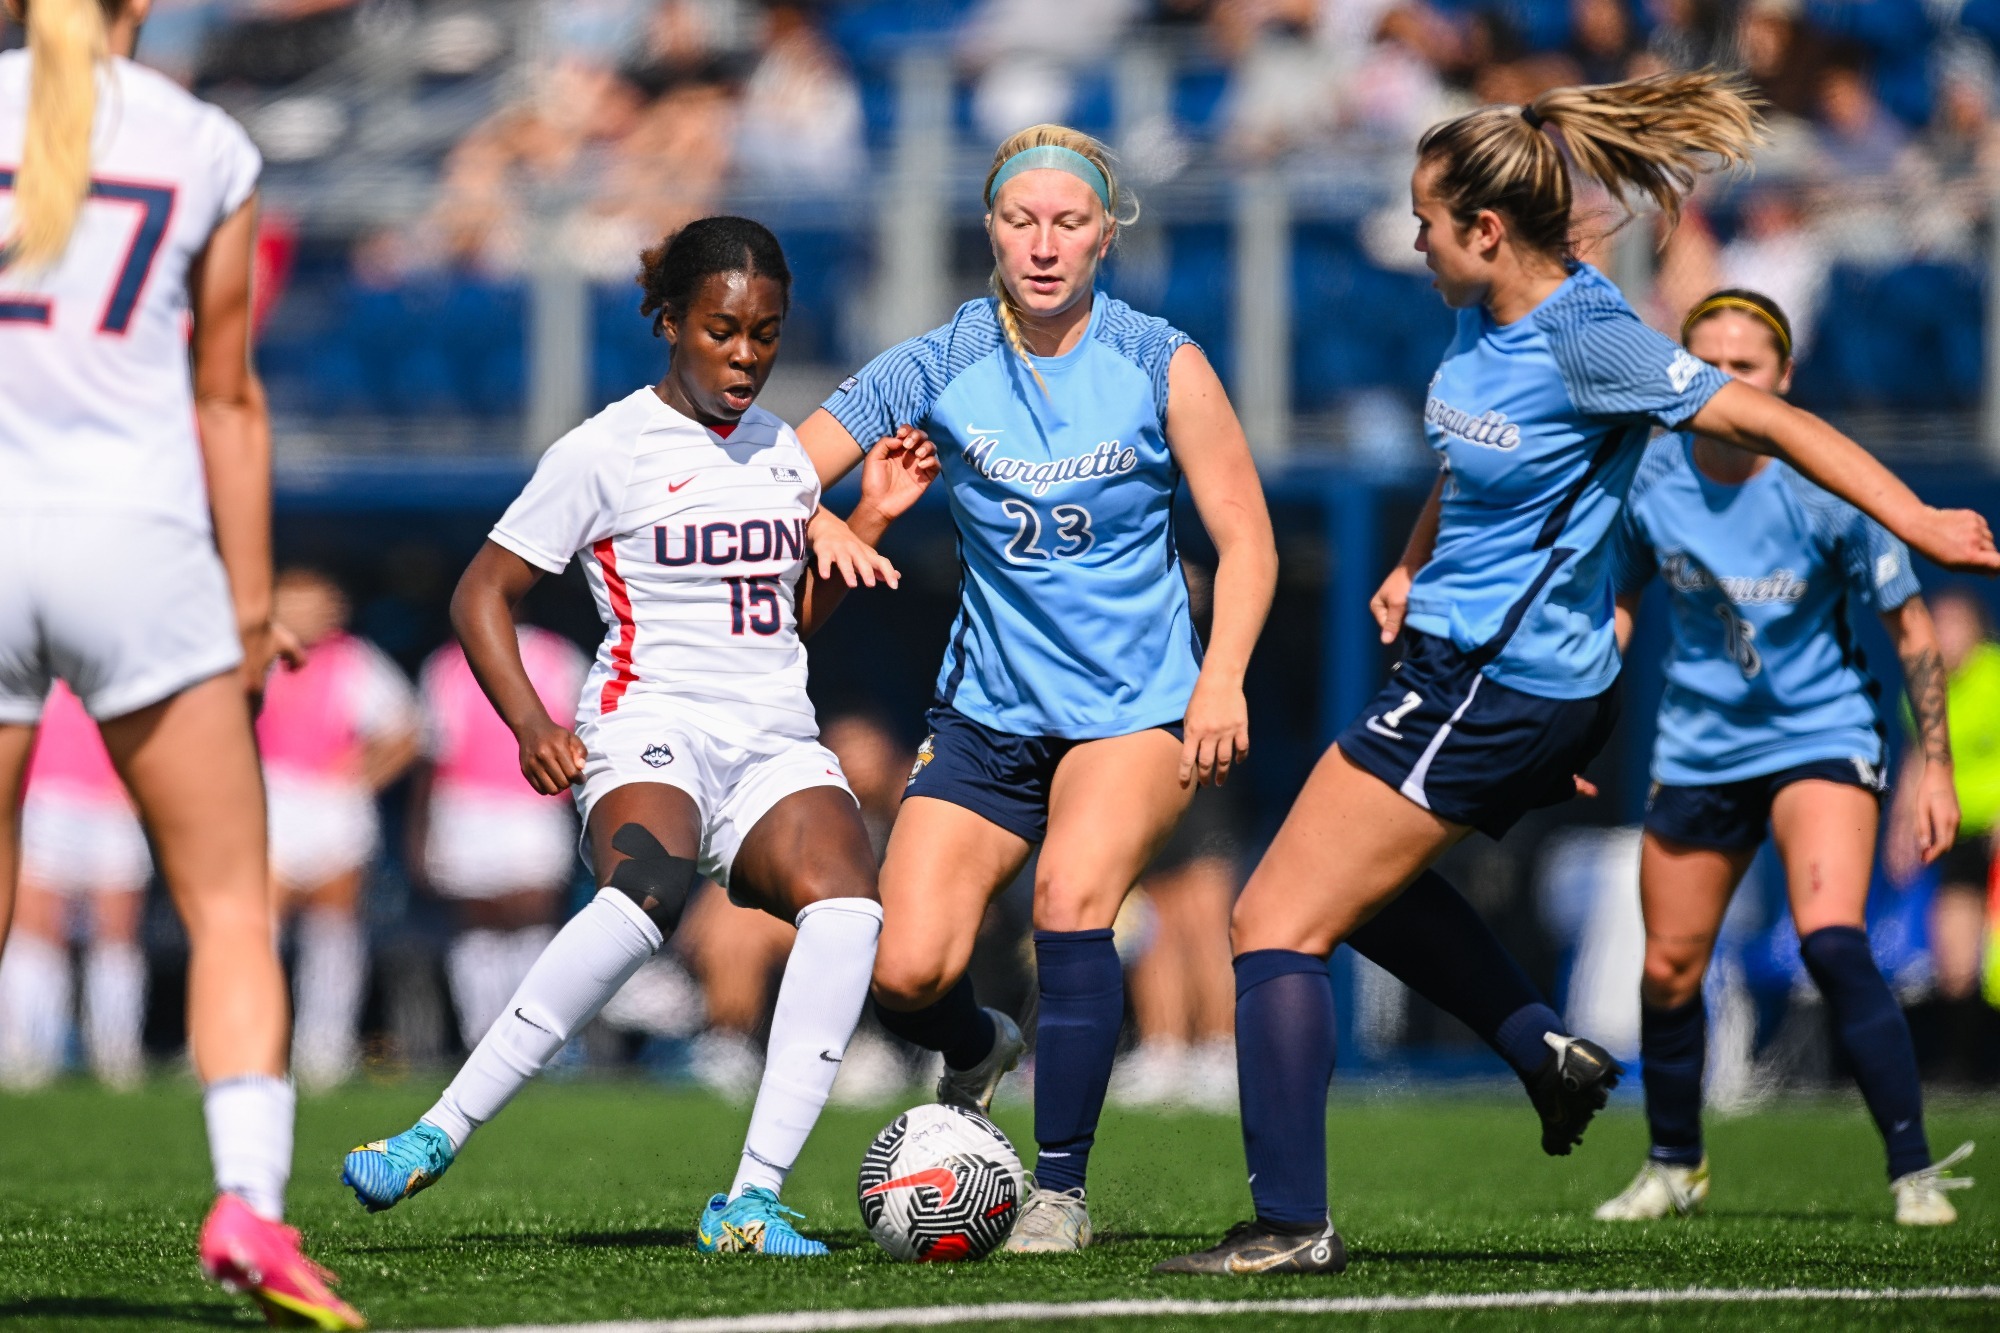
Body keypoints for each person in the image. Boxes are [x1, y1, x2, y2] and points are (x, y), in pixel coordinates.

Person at [1163, 69, 1999, 1277]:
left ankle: (1291, 1222)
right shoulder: (1479, 315)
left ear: (1486, 231)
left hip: (1503, 684)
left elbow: (1765, 424)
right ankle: (1540, 1049)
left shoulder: (1587, 337)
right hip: (1471, 666)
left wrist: (1916, 515)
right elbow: (1468, 464)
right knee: (1355, 886)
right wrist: (1409, 563)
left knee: (1269, 920)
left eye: (1426, 218)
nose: (1411, 237)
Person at [339, 216, 931, 1256]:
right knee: (646, 889)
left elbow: (784, 619)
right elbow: (485, 590)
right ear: (669, 323)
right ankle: (435, 1131)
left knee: (847, 905)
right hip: (646, 720)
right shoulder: (604, 449)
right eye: (722, 330)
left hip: (772, 736)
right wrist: (527, 720)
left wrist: (869, 522)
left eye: (766, 333)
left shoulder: (785, 456)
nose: (745, 354)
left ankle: (748, 1203)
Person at [794, 123, 1279, 1252]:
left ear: (1106, 234)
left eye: (1068, 222)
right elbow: (783, 465)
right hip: (984, 716)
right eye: (1021, 220)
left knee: (1070, 904)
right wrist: (834, 513)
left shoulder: (1164, 360)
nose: (1044, 243)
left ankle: (1055, 1189)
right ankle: (975, 1048)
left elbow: (1246, 541)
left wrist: (1220, 681)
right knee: (907, 966)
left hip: (1135, 710)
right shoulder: (940, 358)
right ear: (990, 231)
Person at [0, 0, 360, 1324]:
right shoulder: (203, 141)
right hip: (139, 543)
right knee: (224, 905)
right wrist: (254, 602)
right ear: (138, 6)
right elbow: (225, 394)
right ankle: (250, 1207)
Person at [1595, 288, 1975, 1227]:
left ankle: (1914, 1169)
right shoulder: (1649, 478)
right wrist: (1574, 729)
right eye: (1707, 366)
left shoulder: (1825, 481)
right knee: (1670, 968)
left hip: (1821, 736)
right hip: (1698, 744)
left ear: (1784, 378)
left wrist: (1935, 764)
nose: (1726, 383)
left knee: (1831, 939)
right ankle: (1675, 1162)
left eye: (1748, 367)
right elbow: (1619, 605)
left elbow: (1912, 626)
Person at [259, 566, 421, 1088]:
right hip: (272, 798)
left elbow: (404, 730)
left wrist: (360, 776)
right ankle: (245, 1041)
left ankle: (322, 1049)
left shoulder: (356, 661)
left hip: (330, 806)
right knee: (257, 926)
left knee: (333, 928)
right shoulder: (252, 656)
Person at [411, 621, 588, 1051]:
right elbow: (434, 751)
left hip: (534, 802)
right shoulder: (447, 663)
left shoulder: (558, 654)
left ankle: (537, 1038)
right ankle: (484, 1037)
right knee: (478, 919)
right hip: (465, 805)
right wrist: (421, 831)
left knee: (531, 911)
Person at [0, 682, 151, 1089]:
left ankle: (117, 1054)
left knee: (117, 934)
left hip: (113, 800)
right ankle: (27, 1055)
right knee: (36, 934)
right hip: (43, 798)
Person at [1889, 587, 2000, 1080]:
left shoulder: (1995, 677)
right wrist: (1900, 828)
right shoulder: (1926, 685)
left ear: (1977, 629)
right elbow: (1918, 759)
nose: (1944, 636)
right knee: (1955, 963)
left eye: (1954, 625)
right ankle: (1966, 1071)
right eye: (1938, 625)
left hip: (1996, 836)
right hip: (1957, 835)